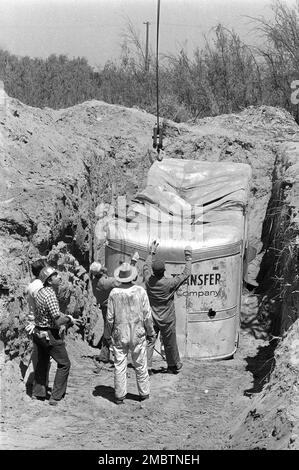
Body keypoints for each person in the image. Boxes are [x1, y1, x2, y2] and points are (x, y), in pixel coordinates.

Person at [106, 262, 155, 404]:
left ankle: (120, 396)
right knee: (140, 364)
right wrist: (150, 332)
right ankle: (144, 393)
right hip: (138, 332)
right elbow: (147, 315)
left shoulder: (114, 293)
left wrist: (107, 335)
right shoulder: (140, 291)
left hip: (119, 333)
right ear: (132, 277)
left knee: (120, 364)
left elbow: (109, 318)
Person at [32, 266, 81, 406]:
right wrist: (70, 319)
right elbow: (58, 320)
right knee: (64, 363)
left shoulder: (40, 292)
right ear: (49, 281)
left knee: (42, 362)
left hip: (38, 332)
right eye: (56, 276)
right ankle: (55, 396)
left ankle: (38, 393)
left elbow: (50, 314)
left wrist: (64, 317)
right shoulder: (51, 294)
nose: (59, 277)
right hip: (50, 334)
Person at [143, 241, 192, 375]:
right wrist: (188, 258)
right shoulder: (169, 283)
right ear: (164, 271)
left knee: (150, 341)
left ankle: (147, 367)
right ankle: (173, 365)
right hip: (167, 318)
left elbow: (145, 267)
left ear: (154, 271)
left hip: (152, 317)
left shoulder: (148, 281)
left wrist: (151, 253)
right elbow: (185, 274)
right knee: (170, 342)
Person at [89, 252, 140, 363]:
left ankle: (104, 355)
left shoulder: (96, 281)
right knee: (114, 331)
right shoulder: (104, 282)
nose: (104, 267)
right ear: (100, 271)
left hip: (105, 308)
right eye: (102, 267)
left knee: (108, 330)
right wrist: (133, 263)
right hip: (111, 309)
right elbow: (124, 280)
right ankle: (117, 355)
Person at [24, 259, 47, 387]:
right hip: (39, 323)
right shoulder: (38, 286)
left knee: (37, 355)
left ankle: (34, 383)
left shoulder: (34, 283)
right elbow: (42, 305)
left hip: (34, 321)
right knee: (41, 357)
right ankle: (37, 385)